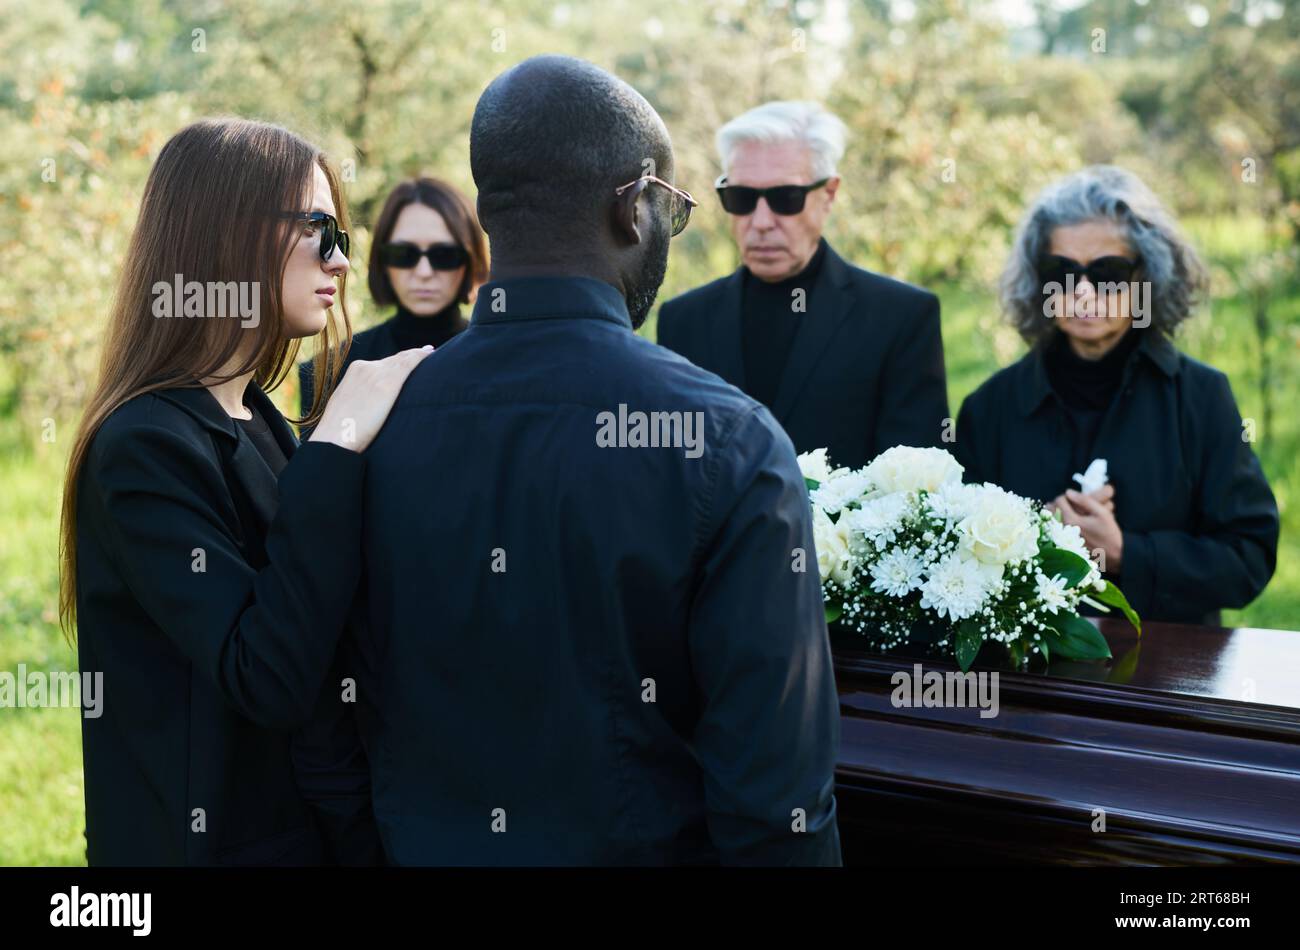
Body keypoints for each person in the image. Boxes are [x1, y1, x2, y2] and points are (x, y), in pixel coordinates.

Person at [352, 56, 842, 865]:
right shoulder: (729, 442)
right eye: (672, 209)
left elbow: (329, 734)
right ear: (631, 209)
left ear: (486, 213)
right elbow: (776, 807)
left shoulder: (363, 427)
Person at [60, 118, 431, 865]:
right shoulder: (143, 446)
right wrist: (335, 446)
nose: (342, 262)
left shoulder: (254, 412)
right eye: (320, 229)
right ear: (225, 233)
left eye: (343, 238)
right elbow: (263, 675)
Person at [954, 165, 1278, 626]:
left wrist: (1128, 553)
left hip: (1167, 681)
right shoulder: (989, 408)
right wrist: (1030, 535)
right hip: (1025, 680)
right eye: (1061, 271)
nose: (1083, 292)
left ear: (1148, 276)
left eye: (1107, 272)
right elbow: (953, 562)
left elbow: (1249, 558)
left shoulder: (1202, 397)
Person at [657, 101, 948, 469]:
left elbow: (915, 489)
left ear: (828, 195)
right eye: (742, 198)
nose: (761, 221)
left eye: (785, 198)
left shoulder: (901, 318)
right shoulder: (683, 321)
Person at [298, 176, 487, 421]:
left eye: (444, 255)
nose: (424, 272)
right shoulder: (326, 372)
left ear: (470, 260)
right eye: (404, 254)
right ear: (383, 261)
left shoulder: (502, 361)